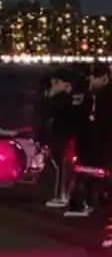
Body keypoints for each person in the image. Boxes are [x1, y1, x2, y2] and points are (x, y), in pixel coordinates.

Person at [66, 64, 110, 217]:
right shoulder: (91, 95)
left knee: (89, 173)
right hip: (91, 141)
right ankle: (86, 203)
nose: (91, 80)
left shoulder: (95, 96)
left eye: (94, 77)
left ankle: (87, 204)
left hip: (94, 142)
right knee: (89, 173)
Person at [46, 70, 79, 208]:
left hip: (65, 136)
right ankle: (65, 194)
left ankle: (62, 196)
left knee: (63, 165)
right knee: (62, 165)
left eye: (57, 82)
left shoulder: (65, 101)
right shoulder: (66, 100)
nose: (53, 85)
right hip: (62, 136)